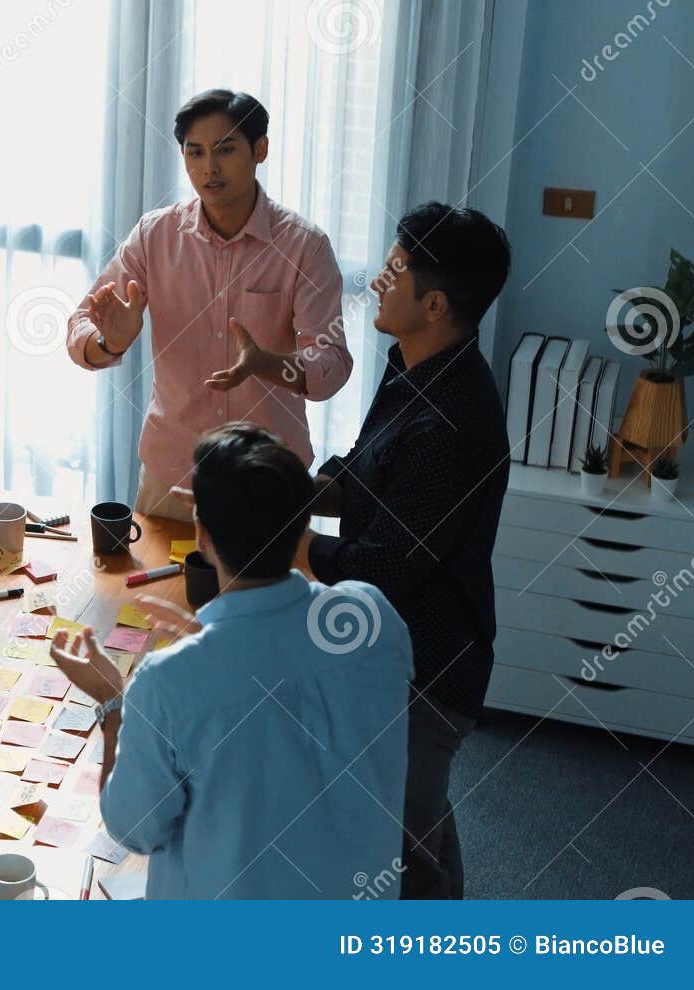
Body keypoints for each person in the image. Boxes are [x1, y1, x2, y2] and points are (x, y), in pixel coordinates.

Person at [49, 423, 413, 899]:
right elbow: (296, 697)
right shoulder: (370, 614)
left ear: (201, 534)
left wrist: (113, 703)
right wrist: (213, 647)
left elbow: (134, 828)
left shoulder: (166, 684)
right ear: (304, 524)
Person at [304, 203, 513, 899]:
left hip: (428, 665)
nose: (376, 283)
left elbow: (387, 565)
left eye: (392, 271)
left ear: (434, 303)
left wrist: (282, 544)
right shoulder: (415, 364)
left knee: (405, 847)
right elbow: (365, 471)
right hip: (392, 649)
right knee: (417, 821)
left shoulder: (454, 421)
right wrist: (278, 497)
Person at [64, 89, 352, 520]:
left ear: (261, 149)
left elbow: (331, 365)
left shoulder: (304, 246)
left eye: (225, 150)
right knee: (152, 589)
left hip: (268, 480)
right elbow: (80, 326)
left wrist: (267, 363)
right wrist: (110, 342)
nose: (208, 168)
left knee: (266, 590)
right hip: (173, 476)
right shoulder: (154, 235)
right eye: (194, 153)